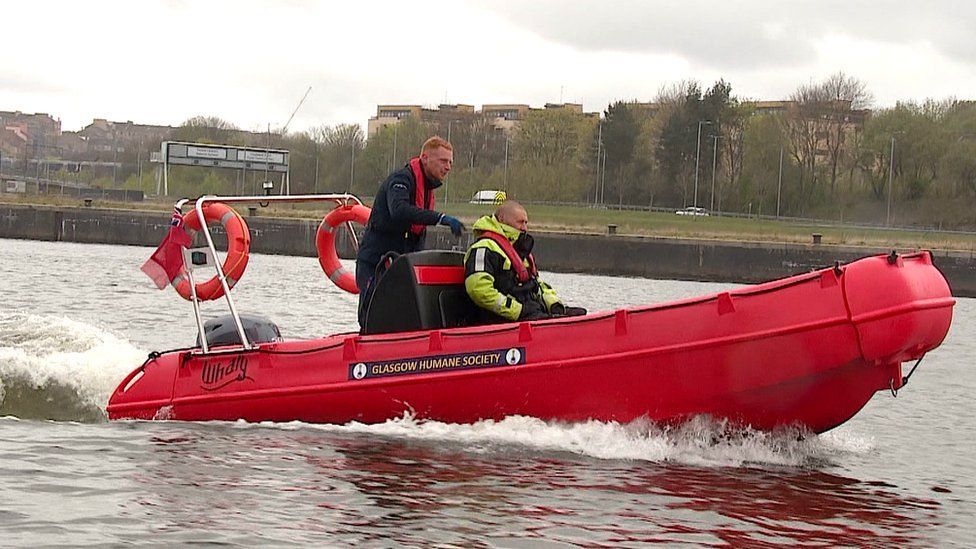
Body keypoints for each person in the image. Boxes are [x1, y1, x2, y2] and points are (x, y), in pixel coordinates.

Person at [356, 136, 465, 326]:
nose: (448, 167)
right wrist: (440, 218)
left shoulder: (428, 188)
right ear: (425, 158)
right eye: (443, 161)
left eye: (450, 162)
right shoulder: (401, 180)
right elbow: (399, 210)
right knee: (373, 310)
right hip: (376, 260)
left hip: (403, 260)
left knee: (402, 312)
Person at [463, 200, 586, 323]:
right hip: (500, 319)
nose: (525, 228)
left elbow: (537, 284)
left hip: (529, 312)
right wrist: (518, 311)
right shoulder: (484, 248)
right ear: (502, 219)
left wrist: (554, 305)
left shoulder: (520, 249)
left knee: (579, 314)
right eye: (520, 222)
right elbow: (479, 289)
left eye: (526, 223)